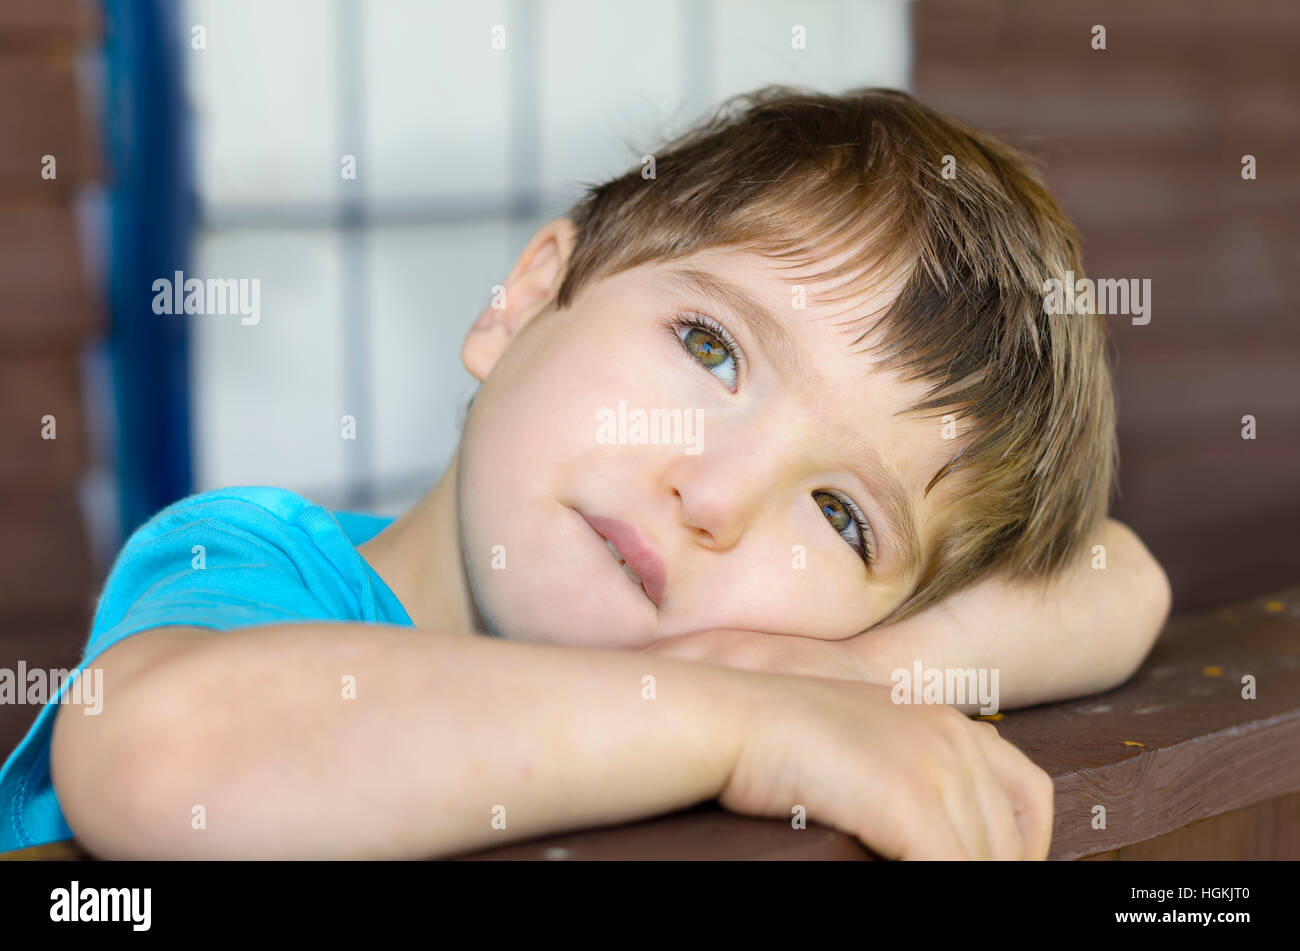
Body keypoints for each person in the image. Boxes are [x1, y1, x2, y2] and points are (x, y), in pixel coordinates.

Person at [2, 86, 1170, 859]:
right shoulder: (244, 562)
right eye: (709, 347)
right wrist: (746, 723)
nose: (714, 500)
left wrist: (855, 674)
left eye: (840, 515)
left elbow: (1119, 578)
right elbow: (158, 756)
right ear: (520, 302)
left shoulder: (798, 658)